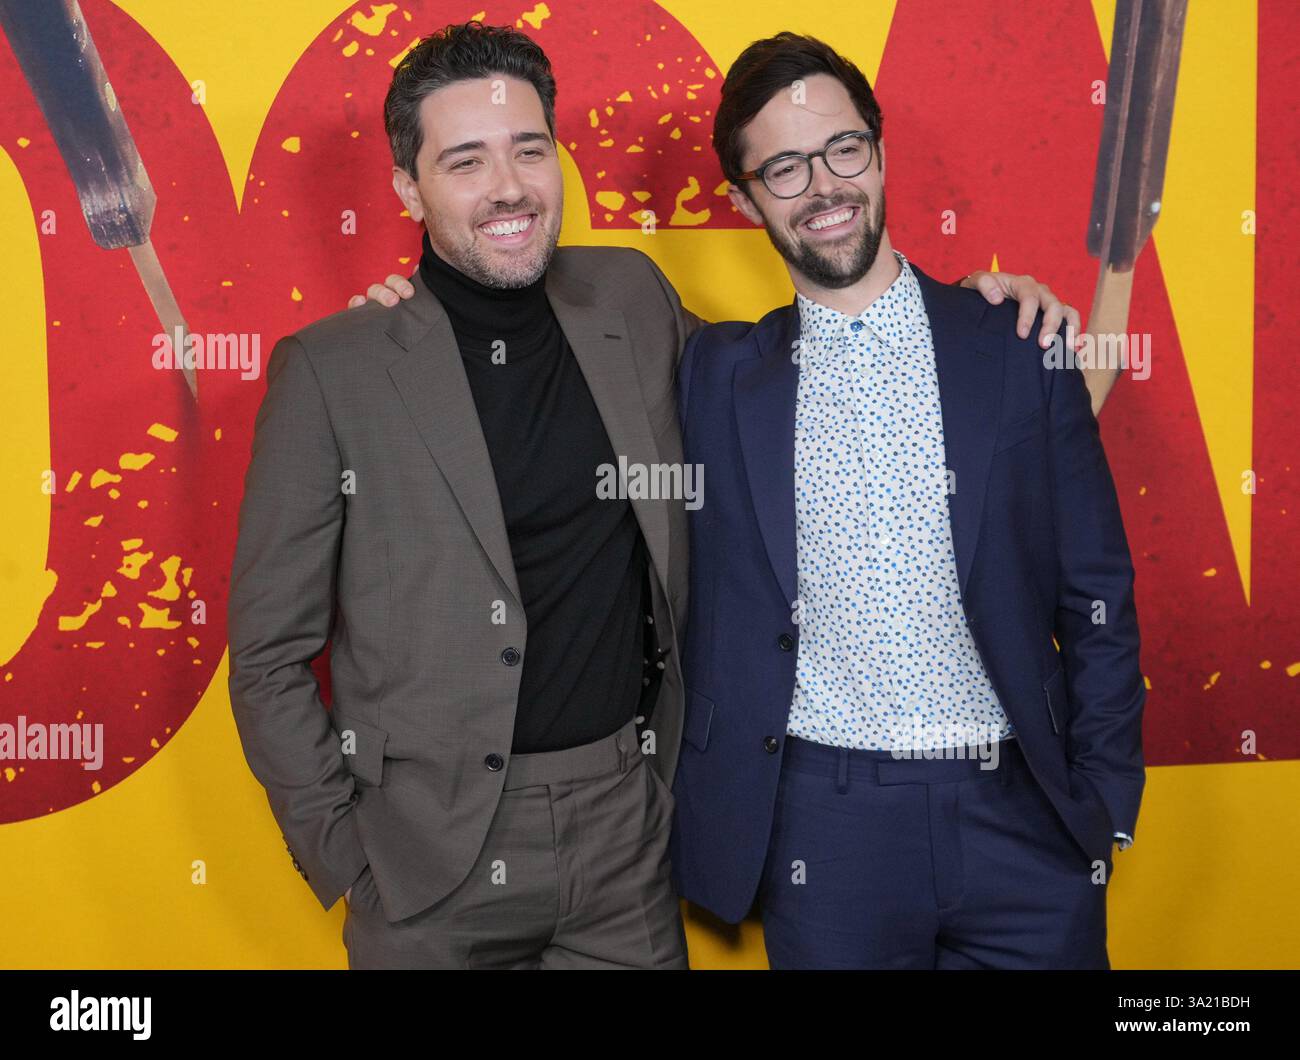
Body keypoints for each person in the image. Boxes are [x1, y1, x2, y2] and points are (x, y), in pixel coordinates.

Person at [305, 21, 1082, 969]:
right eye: (465, 160)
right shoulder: (346, 366)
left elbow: (829, 349)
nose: (507, 184)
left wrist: (980, 314)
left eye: (528, 150)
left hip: (631, 826)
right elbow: (269, 650)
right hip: (443, 846)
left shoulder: (630, 301)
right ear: (406, 190)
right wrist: (399, 336)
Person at [667, 32, 1145, 969]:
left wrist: (1106, 804)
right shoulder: (713, 375)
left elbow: (1099, 592)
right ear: (744, 198)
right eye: (785, 168)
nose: (824, 186)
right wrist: (404, 305)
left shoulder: (1016, 342)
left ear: (880, 152)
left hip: (1023, 818)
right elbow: (558, 326)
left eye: (844, 149)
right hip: (824, 829)